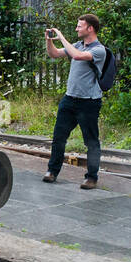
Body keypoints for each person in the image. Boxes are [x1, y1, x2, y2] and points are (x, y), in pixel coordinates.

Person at [42, 14, 107, 189]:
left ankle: (91, 178)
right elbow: (54, 54)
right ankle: (52, 172)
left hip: (89, 103)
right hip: (69, 100)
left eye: (80, 26)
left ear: (90, 28)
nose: (77, 29)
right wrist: (49, 40)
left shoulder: (99, 50)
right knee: (58, 138)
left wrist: (61, 36)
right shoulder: (77, 45)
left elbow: (78, 56)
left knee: (91, 141)